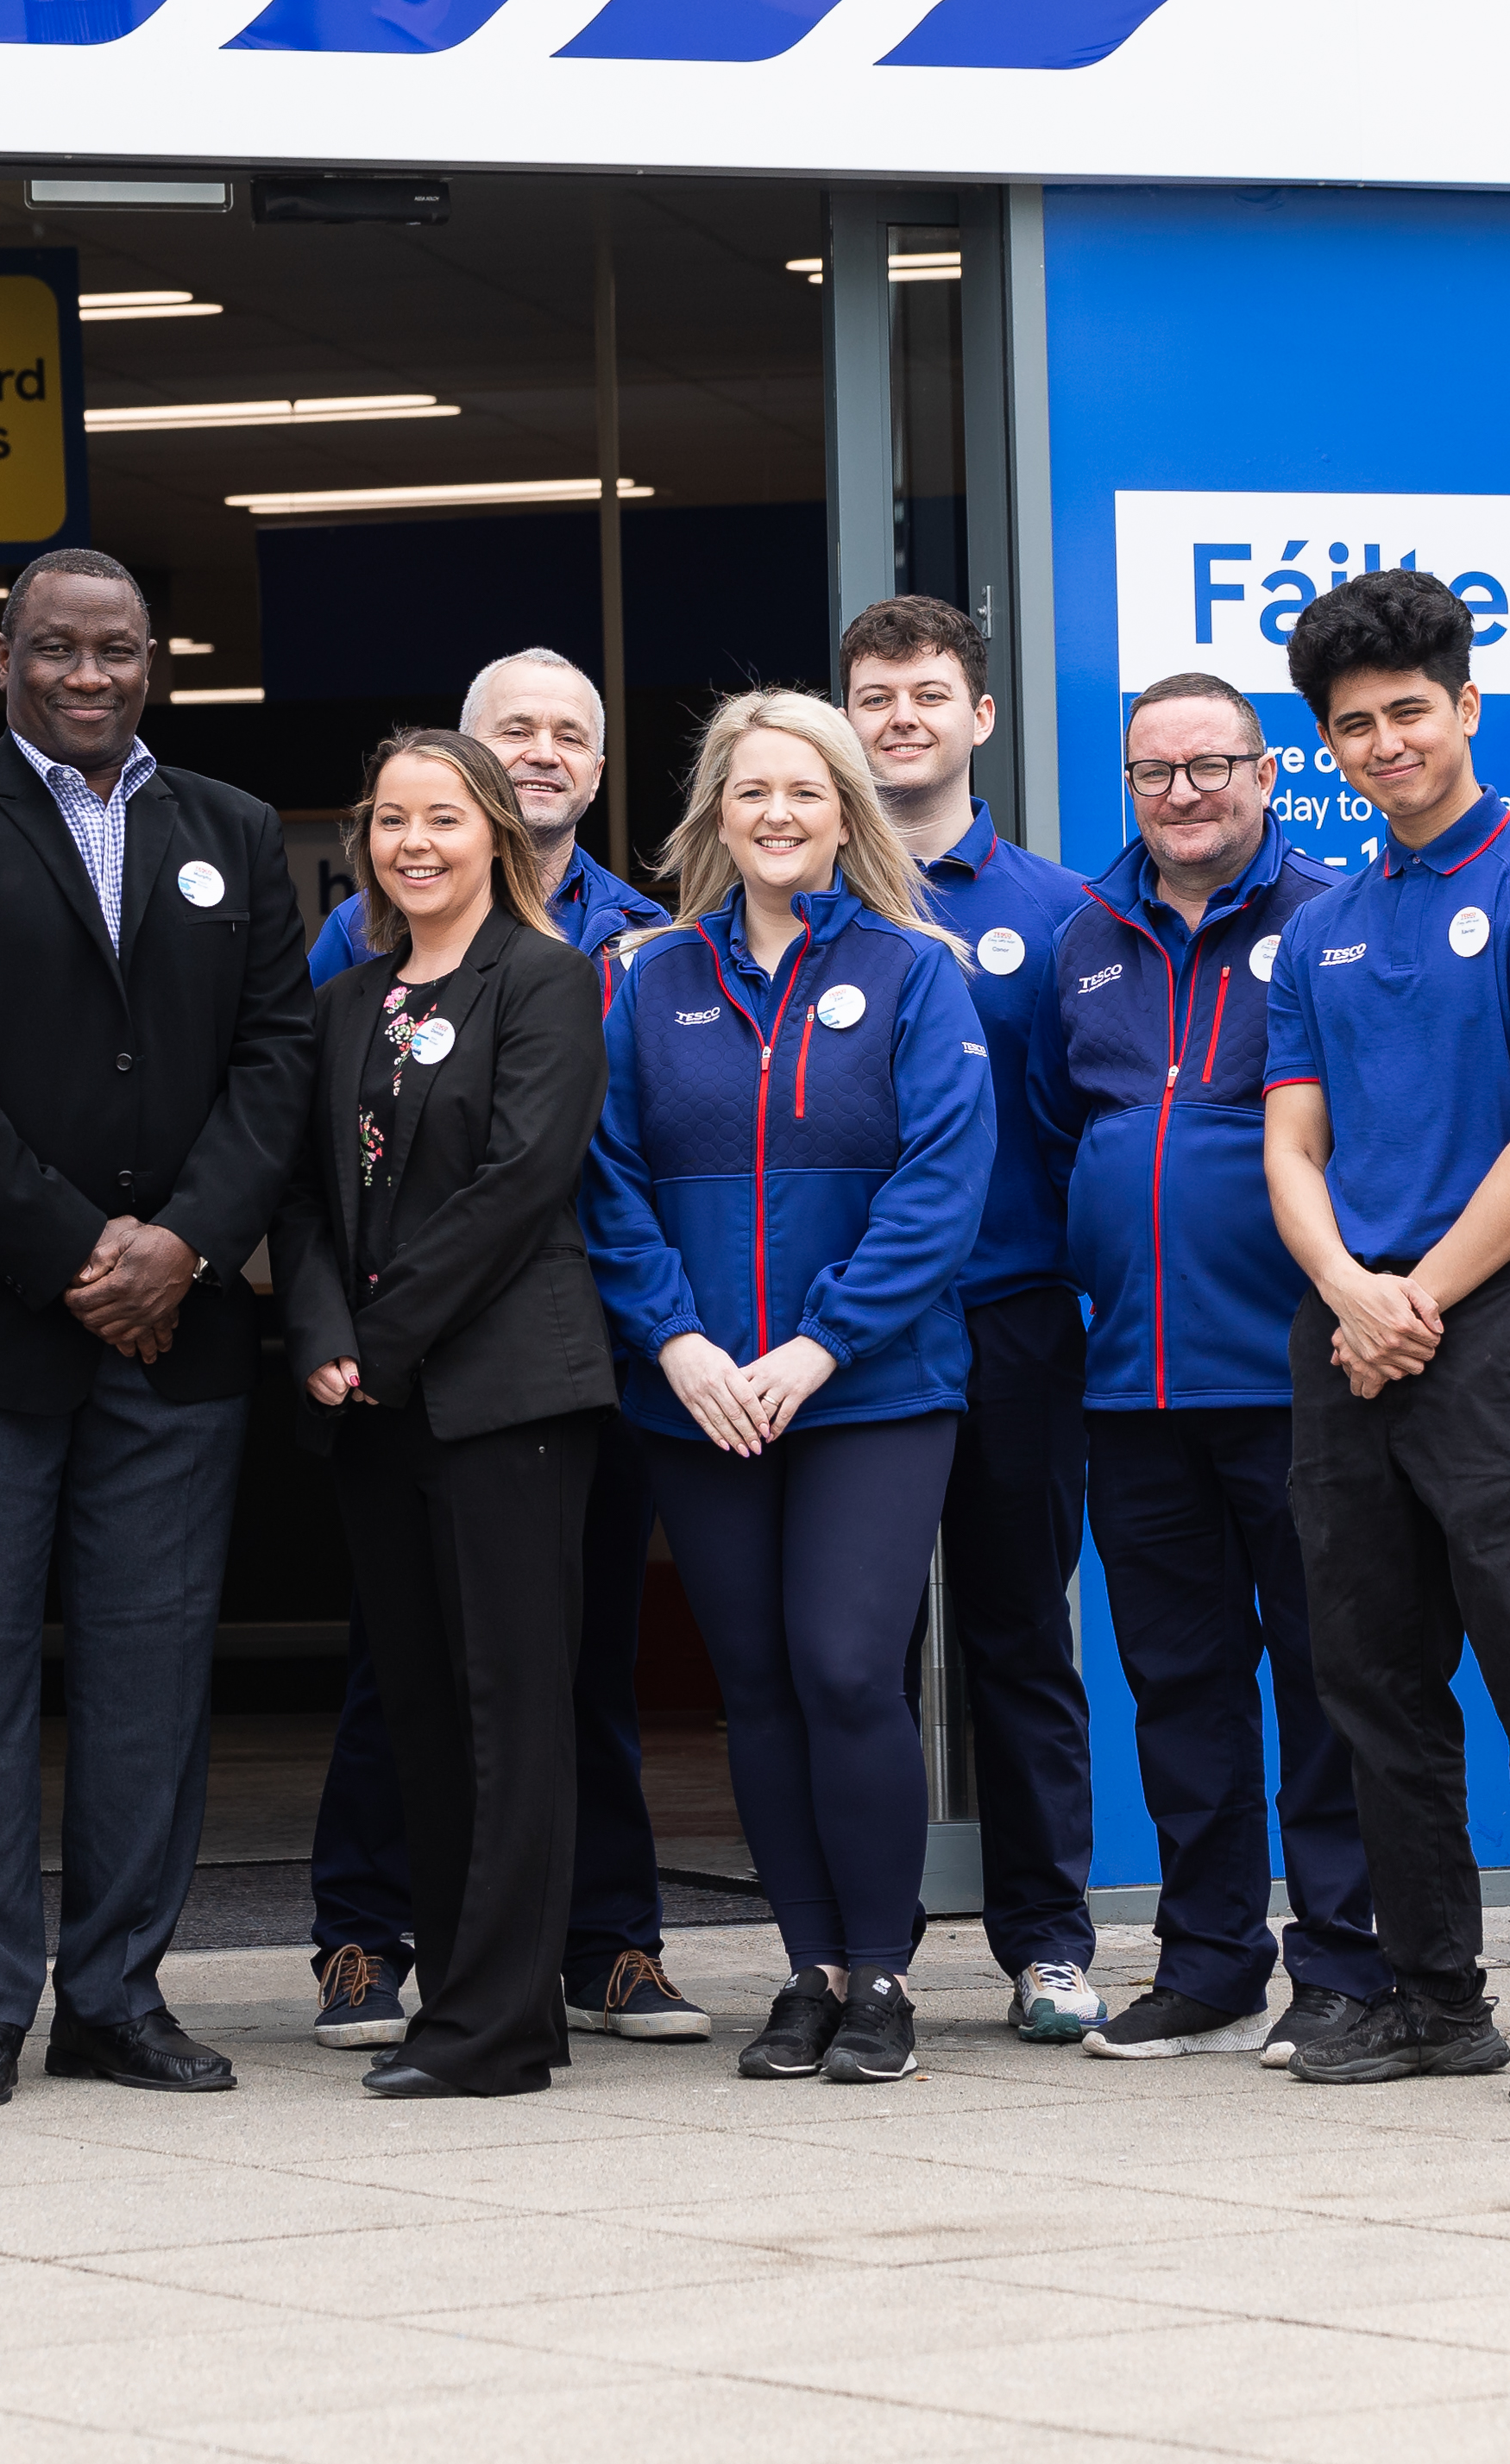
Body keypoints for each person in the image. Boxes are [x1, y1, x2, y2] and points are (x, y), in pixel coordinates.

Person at [0, 547, 314, 2109]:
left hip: (179, 1336)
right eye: (55, 649)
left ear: (153, 660)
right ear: (2, 656)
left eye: (114, 650)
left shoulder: (230, 830)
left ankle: (116, 1993)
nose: (85, 675)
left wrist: (180, 1245)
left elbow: (277, 1058)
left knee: (151, 1673)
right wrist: (76, 1247)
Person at [1259, 569, 1510, 2103]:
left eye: (1408, 712)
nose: (1382, 744)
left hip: (1496, 1326)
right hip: (1351, 1326)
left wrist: (1410, 1296)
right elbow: (1289, 1149)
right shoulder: (1322, 927)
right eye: (1352, 726)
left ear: (1467, 706)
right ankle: (1435, 1996)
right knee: (1370, 1679)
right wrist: (1355, 1294)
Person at [583, 692, 994, 2088]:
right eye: (749, 792)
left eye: (804, 793)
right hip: (696, 1393)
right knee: (752, 1687)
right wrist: (681, 1345)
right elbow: (608, 1182)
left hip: (870, 1388)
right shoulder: (647, 973)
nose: (775, 814)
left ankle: (882, 1970)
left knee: (840, 1665)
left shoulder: (915, 970)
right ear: (713, 815)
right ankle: (808, 1967)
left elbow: (941, 1187)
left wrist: (814, 1346)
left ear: (844, 813)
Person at [293, 651, 701, 2055]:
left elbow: (522, 1182)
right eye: (392, 821)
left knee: (515, 1709)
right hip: (373, 1404)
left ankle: (504, 2019)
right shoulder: (345, 997)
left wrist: (381, 1335)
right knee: (415, 1707)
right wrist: (322, 1334)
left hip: (510, 1394)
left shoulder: (550, 980)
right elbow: (304, 1190)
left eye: (442, 819)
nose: (416, 842)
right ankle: (450, 1990)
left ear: (491, 831)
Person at [1042, 673, 1391, 2067]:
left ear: (1265, 772)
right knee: (1177, 1678)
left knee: (1325, 1674)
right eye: (1153, 770)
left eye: (1210, 764)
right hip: (1130, 1384)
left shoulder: (1335, 921)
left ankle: (1345, 1961)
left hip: (1299, 1374)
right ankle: (1205, 1961)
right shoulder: (1083, 934)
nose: (1181, 791)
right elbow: (1055, 1123)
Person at [842, 594, 1108, 2043]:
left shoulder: (1061, 913)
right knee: (854, 1646)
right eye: (874, 695)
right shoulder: (802, 898)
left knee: (1018, 1641)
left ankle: (1047, 1944)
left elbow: (1084, 1131)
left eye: (927, 693)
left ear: (979, 714)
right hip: (854, 1336)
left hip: (1011, 1326)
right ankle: (857, 1942)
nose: (901, 717)